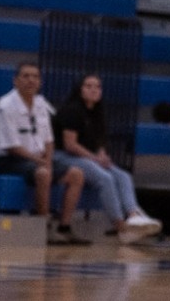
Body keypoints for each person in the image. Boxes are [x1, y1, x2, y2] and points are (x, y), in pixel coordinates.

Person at [52, 74, 163, 243]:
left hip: (87, 157)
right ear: (79, 89)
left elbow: (99, 140)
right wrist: (95, 158)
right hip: (64, 156)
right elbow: (70, 145)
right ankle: (120, 226)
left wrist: (101, 153)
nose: (94, 90)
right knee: (105, 178)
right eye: (88, 86)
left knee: (123, 175)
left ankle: (133, 216)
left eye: (97, 87)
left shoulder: (97, 112)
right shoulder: (72, 110)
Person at [0, 61, 87, 244]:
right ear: (15, 81)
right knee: (43, 173)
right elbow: (11, 147)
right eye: (25, 76)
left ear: (40, 81)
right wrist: (41, 162)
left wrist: (47, 159)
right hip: (10, 160)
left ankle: (64, 227)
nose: (31, 80)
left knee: (76, 174)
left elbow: (49, 140)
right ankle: (44, 228)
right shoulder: (6, 106)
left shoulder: (41, 104)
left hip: (36, 159)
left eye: (35, 76)